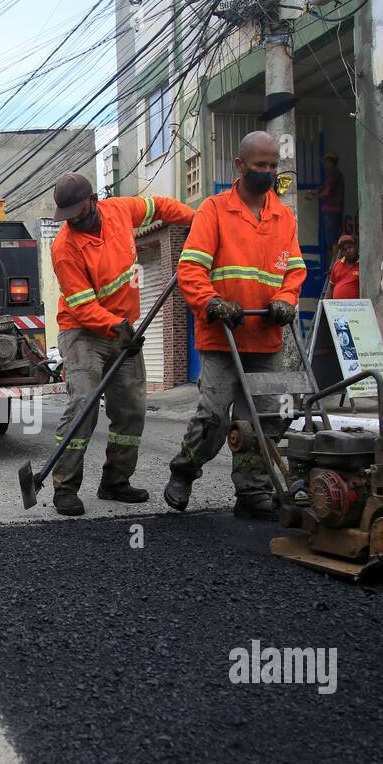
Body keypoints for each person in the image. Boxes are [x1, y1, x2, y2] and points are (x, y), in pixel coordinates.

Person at [164, 131, 306, 519]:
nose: (268, 172)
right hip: (221, 335)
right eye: (261, 166)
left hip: (266, 335)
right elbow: (190, 268)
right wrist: (212, 302)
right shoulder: (214, 210)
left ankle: (251, 493)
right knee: (213, 416)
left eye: (274, 166)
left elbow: (294, 269)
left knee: (263, 420)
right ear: (240, 167)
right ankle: (184, 470)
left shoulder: (283, 215)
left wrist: (285, 300)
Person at [48, 172, 195, 516]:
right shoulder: (64, 248)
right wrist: (115, 326)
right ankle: (65, 485)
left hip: (123, 330)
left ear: (93, 200)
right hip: (83, 333)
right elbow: (83, 307)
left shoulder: (121, 210)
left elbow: (160, 206)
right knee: (84, 401)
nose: (71, 220)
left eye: (76, 211)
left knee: (131, 408)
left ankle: (115, 481)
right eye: (65, 215)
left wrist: (199, 222)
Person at [316, 153, 345, 250]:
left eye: (326, 162)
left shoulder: (332, 174)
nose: (324, 164)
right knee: (335, 236)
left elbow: (327, 191)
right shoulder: (337, 174)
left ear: (330, 162)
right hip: (336, 209)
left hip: (331, 210)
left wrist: (316, 195)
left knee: (332, 239)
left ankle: (335, 263)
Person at [329, 234, 360, 299]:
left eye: (350, 247)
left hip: (356, 307)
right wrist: (325, 305)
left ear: (356, 247)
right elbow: (331, 287)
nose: (348, 251)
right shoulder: (337, 264)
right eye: (344, 250)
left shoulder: (362, 264)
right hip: (337, 307)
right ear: (342, 253)